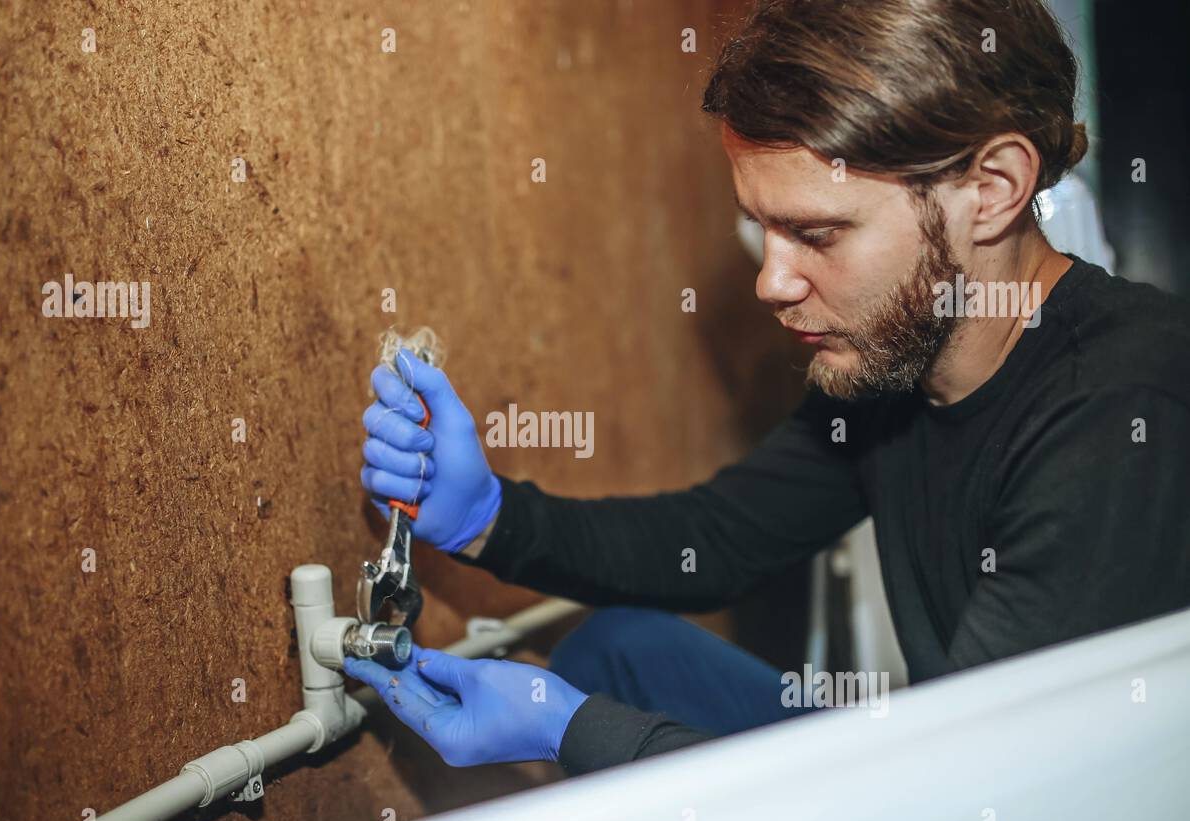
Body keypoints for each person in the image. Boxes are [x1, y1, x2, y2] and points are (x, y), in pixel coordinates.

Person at [345, 0, 1190, 777]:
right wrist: (491, 518)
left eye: (815, 233)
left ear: (992, 190)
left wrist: (572, 730)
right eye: (764, 229)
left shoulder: (1122, 412)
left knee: (601, 710)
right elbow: (719, 537)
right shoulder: (896, 358)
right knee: (626, 654)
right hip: (952, 758)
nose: (773, 282)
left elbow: (958, 798)